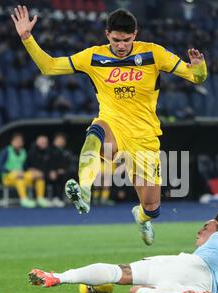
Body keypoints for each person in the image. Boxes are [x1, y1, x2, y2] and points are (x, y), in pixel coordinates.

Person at [11, 5, 207, 245]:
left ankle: (142, 218)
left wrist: (199, 67)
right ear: (107, 35)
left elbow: (195, 77)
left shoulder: (153, 54)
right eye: (116, 40)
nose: (121, 45)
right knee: (97, 132)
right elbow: (49, 66)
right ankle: (84, 190)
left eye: (126, 40)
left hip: (144, 137)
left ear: (135, 34)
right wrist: (27, 38)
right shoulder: (93, 56)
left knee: (152, 206)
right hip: (112, 124)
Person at [28, 212, 218, 293]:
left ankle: (57, 277)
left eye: (204, 226)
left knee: (121, 273)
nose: (200, 230)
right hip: (204, 289)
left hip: (189, 266)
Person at [0, 133, 47, 208]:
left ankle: (40, 198)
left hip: (22, 174)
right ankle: (24, 199)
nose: (18, 142)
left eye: (20, 141)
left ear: (23, 143)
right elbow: (0, 165)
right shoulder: (6, 151)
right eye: (16, 141)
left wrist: (32, 170)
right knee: (19, 178)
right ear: (12, 142)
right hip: (8, 177)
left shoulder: (24, 152)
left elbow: (25, 166)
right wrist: (11, 171)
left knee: (39, 176)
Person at [49, 132, 77, 207]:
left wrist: (65, 170)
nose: (60, 141)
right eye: (59, 140)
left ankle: (68, 197)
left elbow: (71, 163)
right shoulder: (49, 151)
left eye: (62, 140)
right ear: (54, 140)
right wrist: (52, 170)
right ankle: (56, 198)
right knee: (58, 176)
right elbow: (48, 163)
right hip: (50, 172)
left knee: (69, 174)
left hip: (64, 172)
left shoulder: (67, 152)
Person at [26, 135, 51, 207]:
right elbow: (27, 166)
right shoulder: (31, 152)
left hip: (45, 174)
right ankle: (28, 199)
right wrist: (33, 170)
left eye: (45, 142)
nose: (44, 143)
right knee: (29, 177)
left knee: (41, 178)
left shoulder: (49, 152)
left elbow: (50, 166)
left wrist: (44, 173)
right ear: (37, 142)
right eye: (42, 142)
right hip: (31, 174)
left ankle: (40, 198)